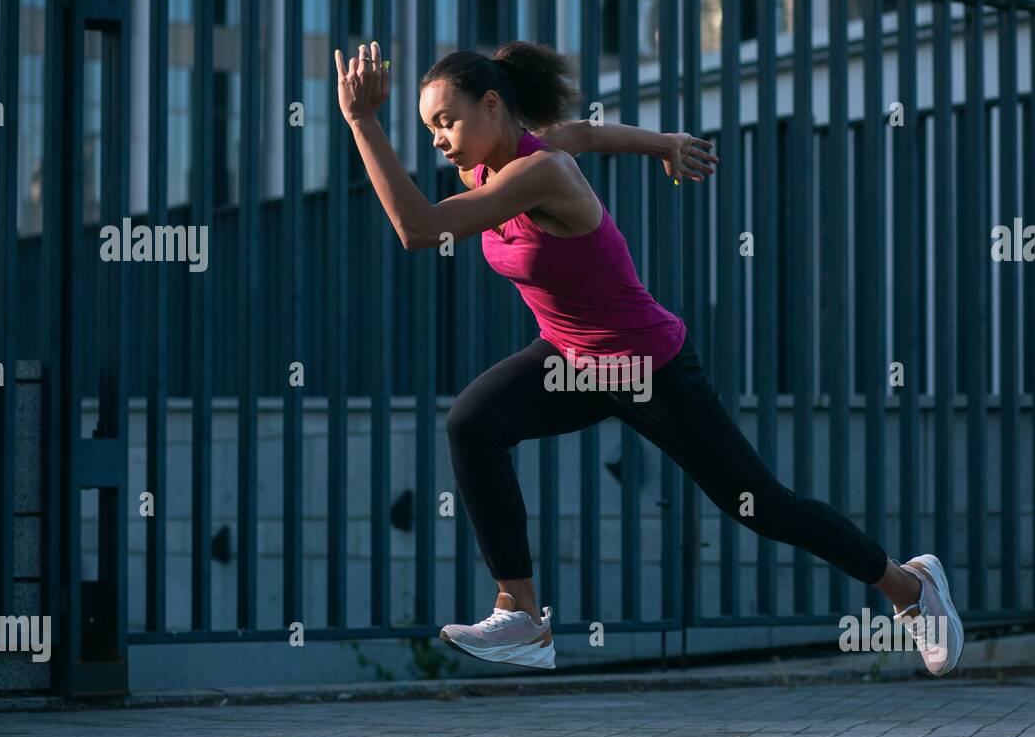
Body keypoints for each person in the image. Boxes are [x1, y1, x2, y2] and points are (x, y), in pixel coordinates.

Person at [335, 39, 963, 677]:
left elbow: (418, 230)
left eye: (447, 121)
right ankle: (522, 615)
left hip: (650, 368)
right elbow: (587, 132)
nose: (439, 140)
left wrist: (362, 120)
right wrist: (662, 143)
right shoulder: (491, 167)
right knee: (472, 422)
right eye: (429, 128)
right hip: (572, 361)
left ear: (493, 105)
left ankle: (910, 589)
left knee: (762, 505)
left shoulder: (540, 171)